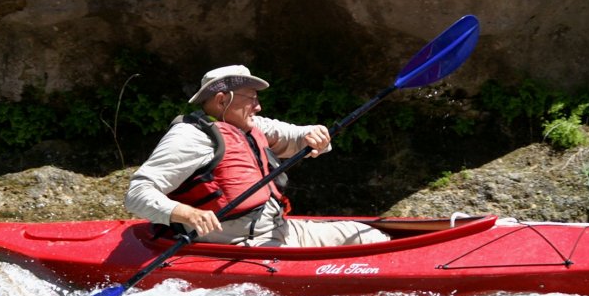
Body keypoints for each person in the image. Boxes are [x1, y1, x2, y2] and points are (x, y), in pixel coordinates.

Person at [124, 65, 390, 247]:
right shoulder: (190, 137)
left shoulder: (252, 127)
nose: (258, 106)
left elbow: (296, 136)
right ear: (221, 100)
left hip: (279, 230)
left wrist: (315, 136)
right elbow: (137, 193)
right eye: (250, 98)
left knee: (371, 238)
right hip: (241, 245)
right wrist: (186, 213)